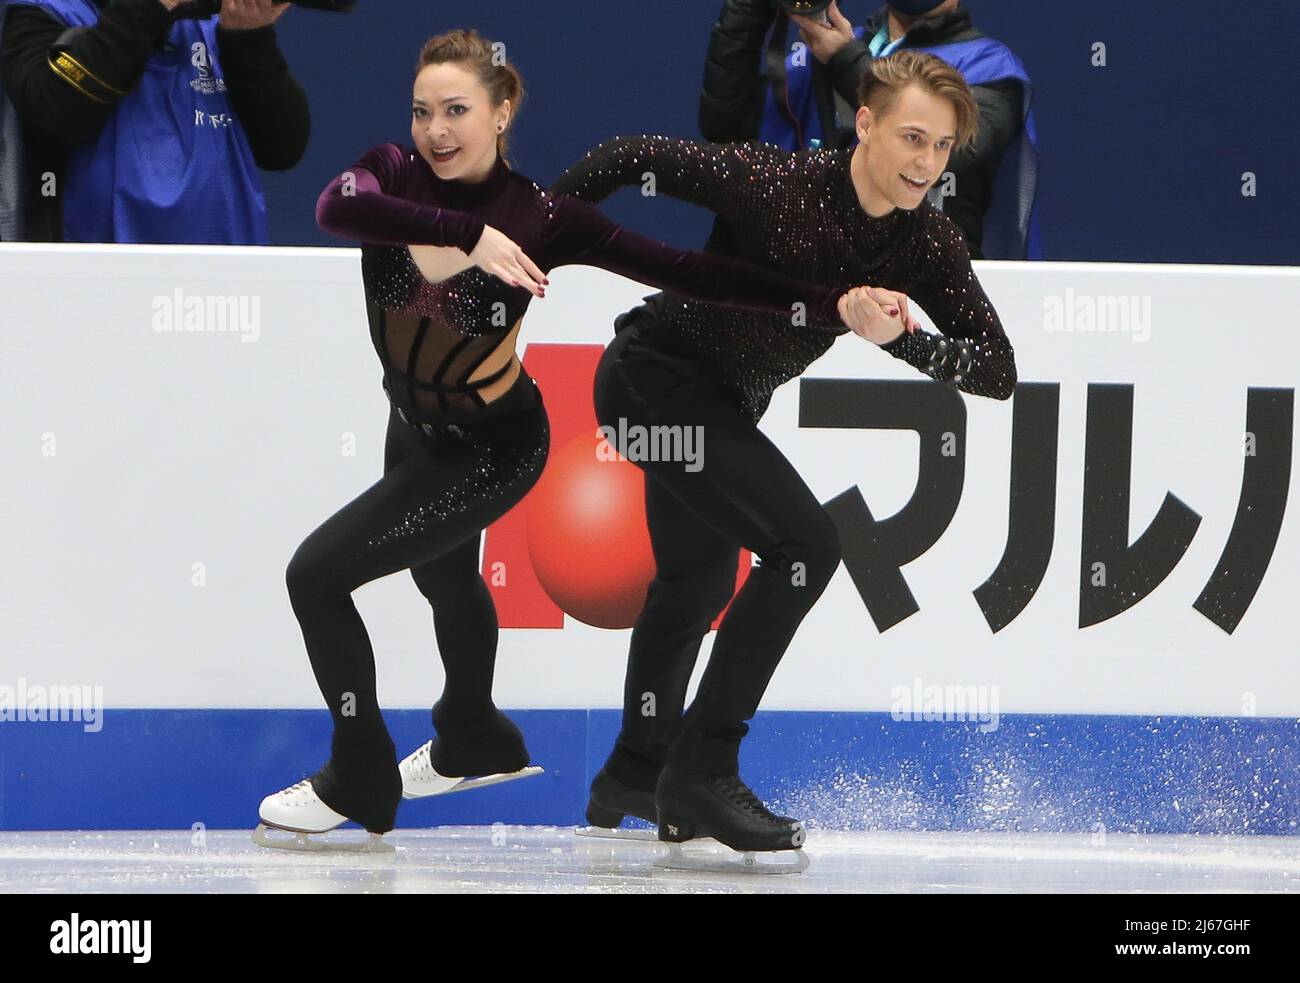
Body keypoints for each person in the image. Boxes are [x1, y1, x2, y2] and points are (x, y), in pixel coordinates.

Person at [253, 28, 879, 849]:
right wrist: (467, 237)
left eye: (457, 111)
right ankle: (474, 731)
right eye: (422, 112)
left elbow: (689, 270)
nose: (436, 130)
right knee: (443, 581)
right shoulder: (392, 173)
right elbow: (337, 206)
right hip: (411, 422)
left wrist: (824, 304)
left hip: (494, 444)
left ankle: (359, 770)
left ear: (502, 111)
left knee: (316, 575)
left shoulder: (541, 218)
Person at [551, 49, 1016, 858]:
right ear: (864, 123)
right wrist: (528, 242)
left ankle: (635, 771)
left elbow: (997, 371)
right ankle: (704, 766)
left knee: (695, 581)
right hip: (649, 384)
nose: (926, 163)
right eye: (912, 137)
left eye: (942, 148)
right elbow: (628, 157)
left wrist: (902, 340)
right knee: (807, 543)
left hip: (719, 406)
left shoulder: (925, 244)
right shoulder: (777, 183)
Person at [701, 0, 1038, 259]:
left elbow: (960, 152)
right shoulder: (830, 49)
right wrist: (745, 12)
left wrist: (846, 63)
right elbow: (725, 128)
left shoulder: (989, 66)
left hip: (921, 289)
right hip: (812, 283)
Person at [0, 0, 308, 242]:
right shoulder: (46, 11)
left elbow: (282, 148)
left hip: (223, 291)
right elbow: (56, 112)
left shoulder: (215, 20)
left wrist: (251, 41)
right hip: (92, 284)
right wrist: (149, 8)